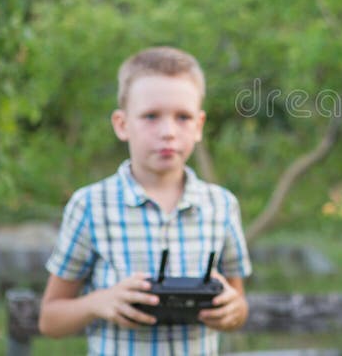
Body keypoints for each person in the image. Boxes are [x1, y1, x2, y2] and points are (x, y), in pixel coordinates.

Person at [38, 46, 252, 355]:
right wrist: (98, 302)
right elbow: (50, 320)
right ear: (122, 124)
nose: (168, 132)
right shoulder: (90, 206)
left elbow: (239, 305)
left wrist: (232, 311)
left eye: (183, 117)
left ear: (199, 126)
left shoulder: (222, 205)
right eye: (151, 116)